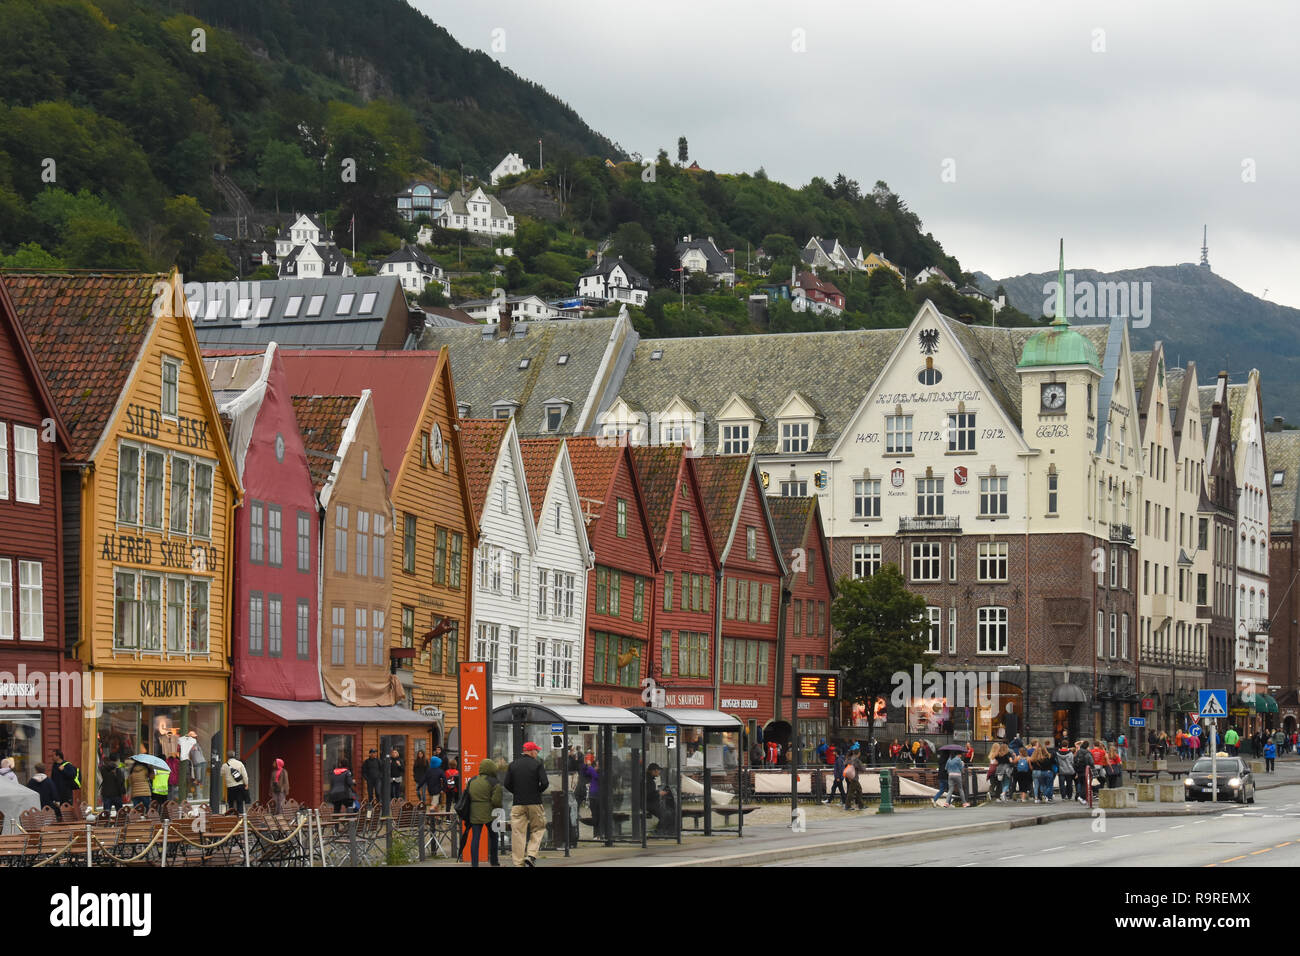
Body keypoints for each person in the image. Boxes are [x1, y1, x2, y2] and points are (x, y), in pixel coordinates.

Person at [504, 741, 549, 867]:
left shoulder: (513, 765)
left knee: (518, 832)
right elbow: (545, 783)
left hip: (518, 803)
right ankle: (530, 855)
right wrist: (536, 792)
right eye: (537, 751)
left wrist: (517, 792)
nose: (537, 753)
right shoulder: (537, 764)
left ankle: (518, 863)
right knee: (538, 828)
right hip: (534, 802)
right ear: (531, 751)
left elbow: (507, 783)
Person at [465, 758, 502, 867]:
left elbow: (467, 796)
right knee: (494, 836)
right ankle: (494, 862)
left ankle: (475, 864)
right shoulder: (494, 782)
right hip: (490, 814)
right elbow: (496, 801)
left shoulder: (472, 780)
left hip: (474, 812)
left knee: (475, 838)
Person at [221, 750, 250, 814]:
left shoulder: (225, 765)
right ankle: (240, 819)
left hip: (230, 787)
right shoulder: (240, 764)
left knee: (231, 804)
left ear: (227, 756)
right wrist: (246, 784)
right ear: (234, 756)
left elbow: (221, 774)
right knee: (240, 803)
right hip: (239, 786)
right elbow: (245, 775)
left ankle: (231, 818)